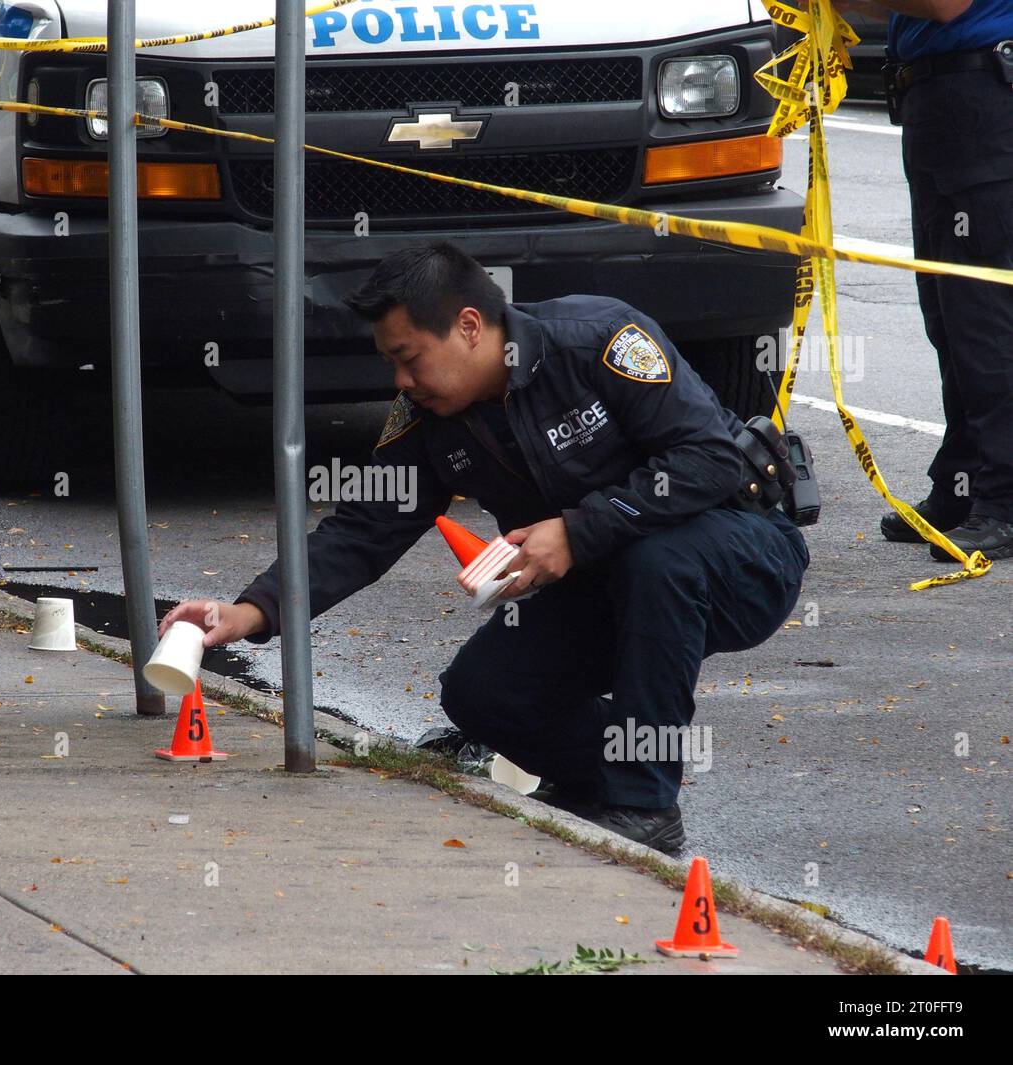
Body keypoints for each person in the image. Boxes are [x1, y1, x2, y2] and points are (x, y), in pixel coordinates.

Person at [158, 244, 808, 854]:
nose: (401, 378)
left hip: (740, 554)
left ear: (470, 325)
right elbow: (362, 533)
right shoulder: (429, 419)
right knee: (482, 696)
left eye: (410, 357)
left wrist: (577, 530)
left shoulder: (598, 341)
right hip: (608, 585)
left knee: (657, 560)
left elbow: (711, 460)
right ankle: (597, 780)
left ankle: (646, 810)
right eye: (390, 361)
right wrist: (249, 612)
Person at [869, 0, 1013, 558]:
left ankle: (1003, 501)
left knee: (986, 318)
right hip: (944, 103)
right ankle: (963, 484)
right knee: (950, 315)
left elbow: (942, 3)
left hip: (981, 100)